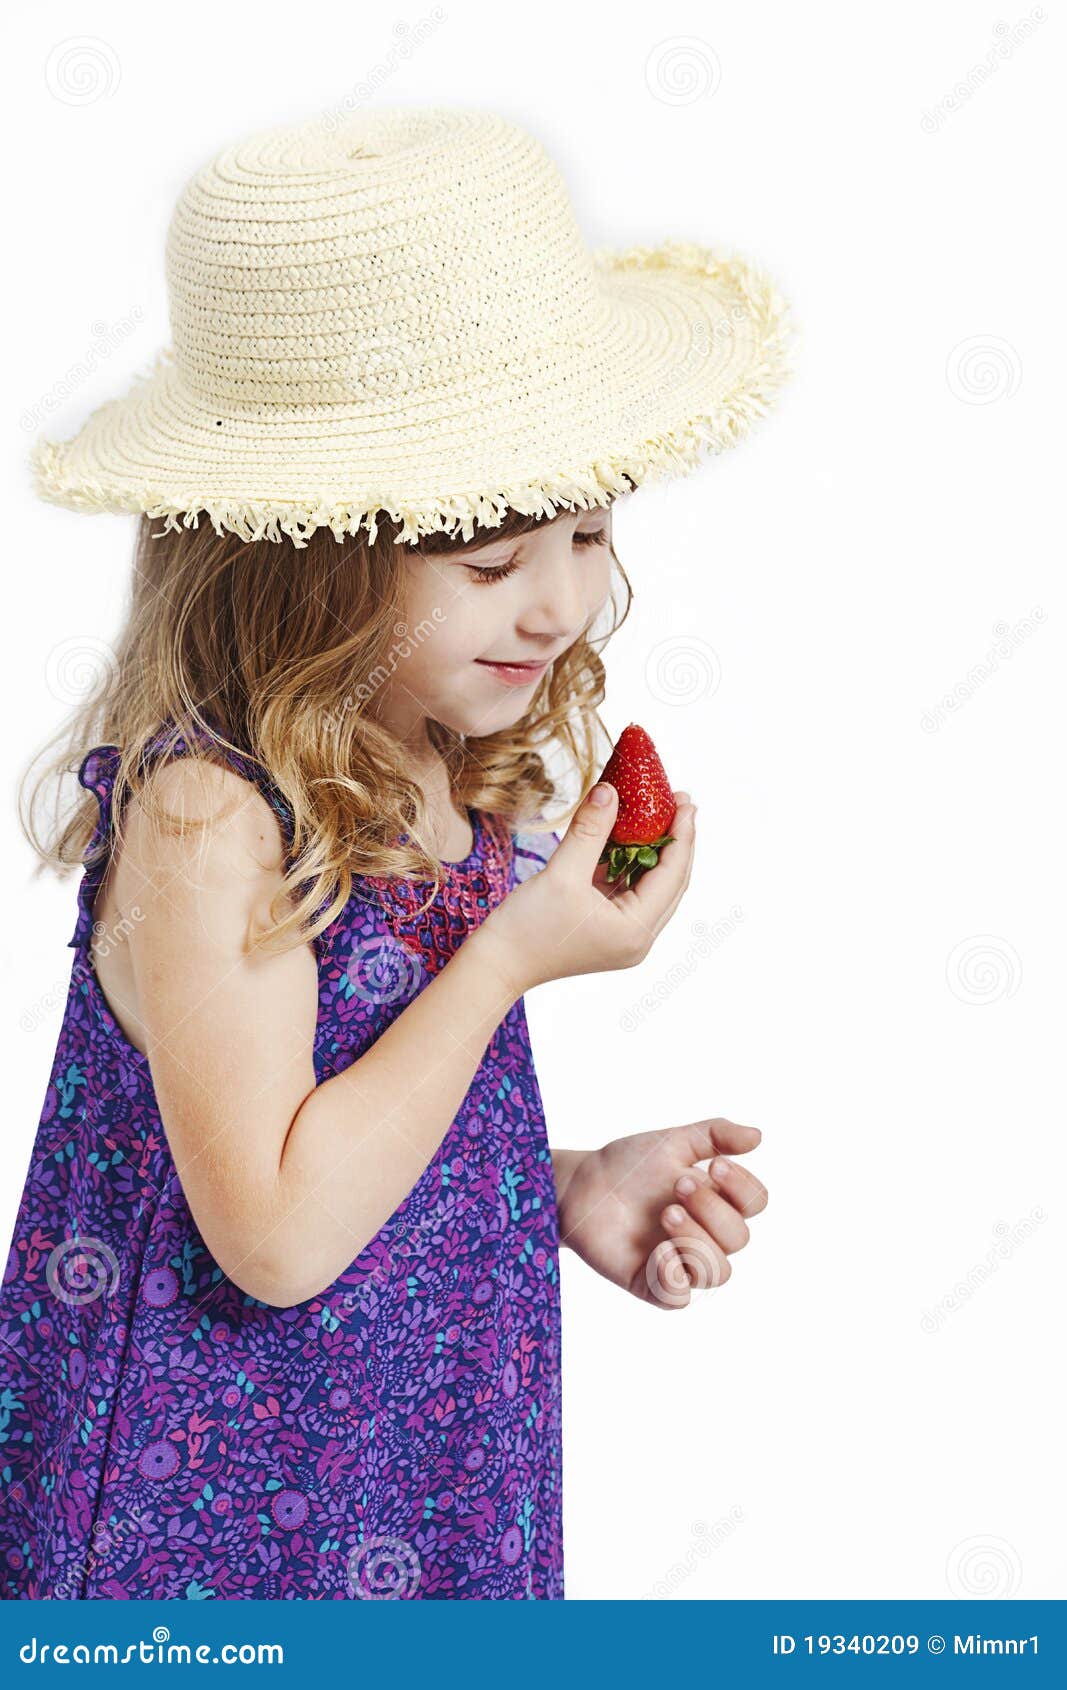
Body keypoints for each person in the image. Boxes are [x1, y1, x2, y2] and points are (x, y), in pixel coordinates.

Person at [2, 106, 787, 1600]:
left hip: (422, 1482)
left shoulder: (433, 753)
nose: (558, 605)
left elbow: (341, 1120)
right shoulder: (210, 816)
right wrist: (509, 958)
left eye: (590, 534)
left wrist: (546, 1185)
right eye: (488, 562)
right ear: (293, 556)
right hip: (209, 1545)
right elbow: (280, 1234)